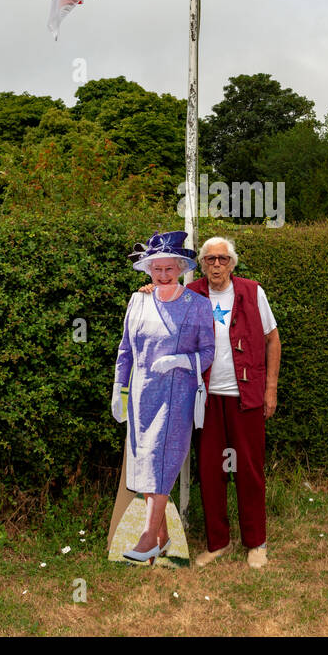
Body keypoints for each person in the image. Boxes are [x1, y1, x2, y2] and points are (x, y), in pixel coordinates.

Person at [140, 235, 280, 568]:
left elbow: (273, 340)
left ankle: (256, 543)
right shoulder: (192, 294)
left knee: (248, 470)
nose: (216, 265)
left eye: (222, 259)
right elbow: (163, 313)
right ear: (202, 264)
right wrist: (149, 293)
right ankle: (217, 542)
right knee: (211, 470)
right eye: (209, 259)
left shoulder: (252, 292)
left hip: (245, 397)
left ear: (232, 263)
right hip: (205, 399)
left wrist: (270, 389)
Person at [112, 231, 215, 564]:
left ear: (181, 268)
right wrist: (120, 387)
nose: (164, 275)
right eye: (157, 269)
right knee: (144, 461)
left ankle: (147, 541)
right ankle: (164, 537)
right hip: (142, 395)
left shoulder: (197, 306)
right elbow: (126, 349)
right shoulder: (138, 300)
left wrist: (181, 361)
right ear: (149, 270)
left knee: (162, 460)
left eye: (170, 269)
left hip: (177, 395)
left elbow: (209, 351)